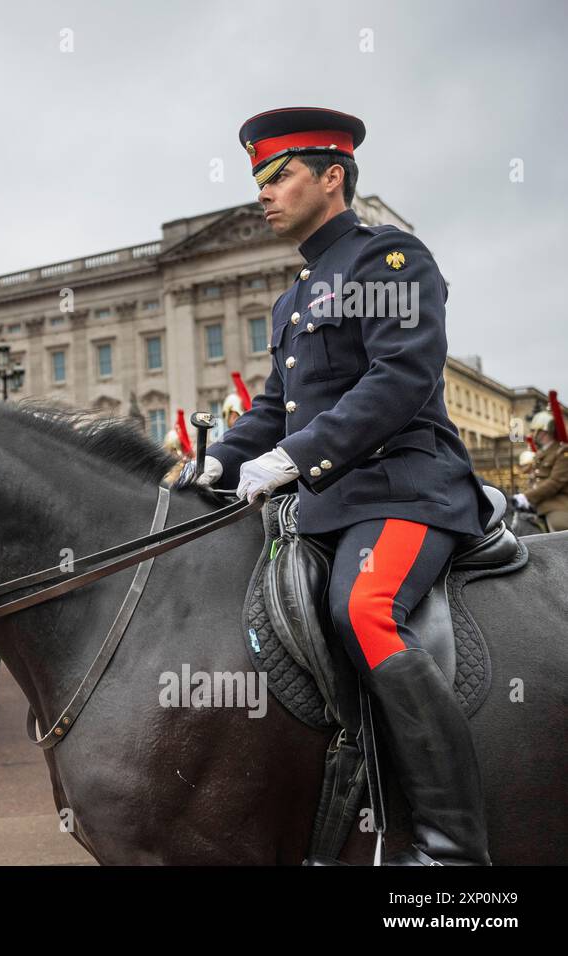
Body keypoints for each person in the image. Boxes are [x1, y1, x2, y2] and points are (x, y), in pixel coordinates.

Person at [188, 107, 494, 865]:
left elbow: (401, 377)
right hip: (326, 505)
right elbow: (274, 408)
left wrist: (296, 457)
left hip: (404, 487)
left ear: (333, 177)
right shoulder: (294, 297)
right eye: (258, 180)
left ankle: (452, 847)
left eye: (278, 175)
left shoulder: (389, 259)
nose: (263, 193)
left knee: (365, 609)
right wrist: (218, 461)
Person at [516, 399, 568, 531]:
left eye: (534, 431)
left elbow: (555, 482)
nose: (532, 434)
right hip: (538, 505)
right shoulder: (541, 454)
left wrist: (526, 497)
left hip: (557, 505)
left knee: (559, 525)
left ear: (544, 431)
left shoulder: (562, 452)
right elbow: (534, 480)